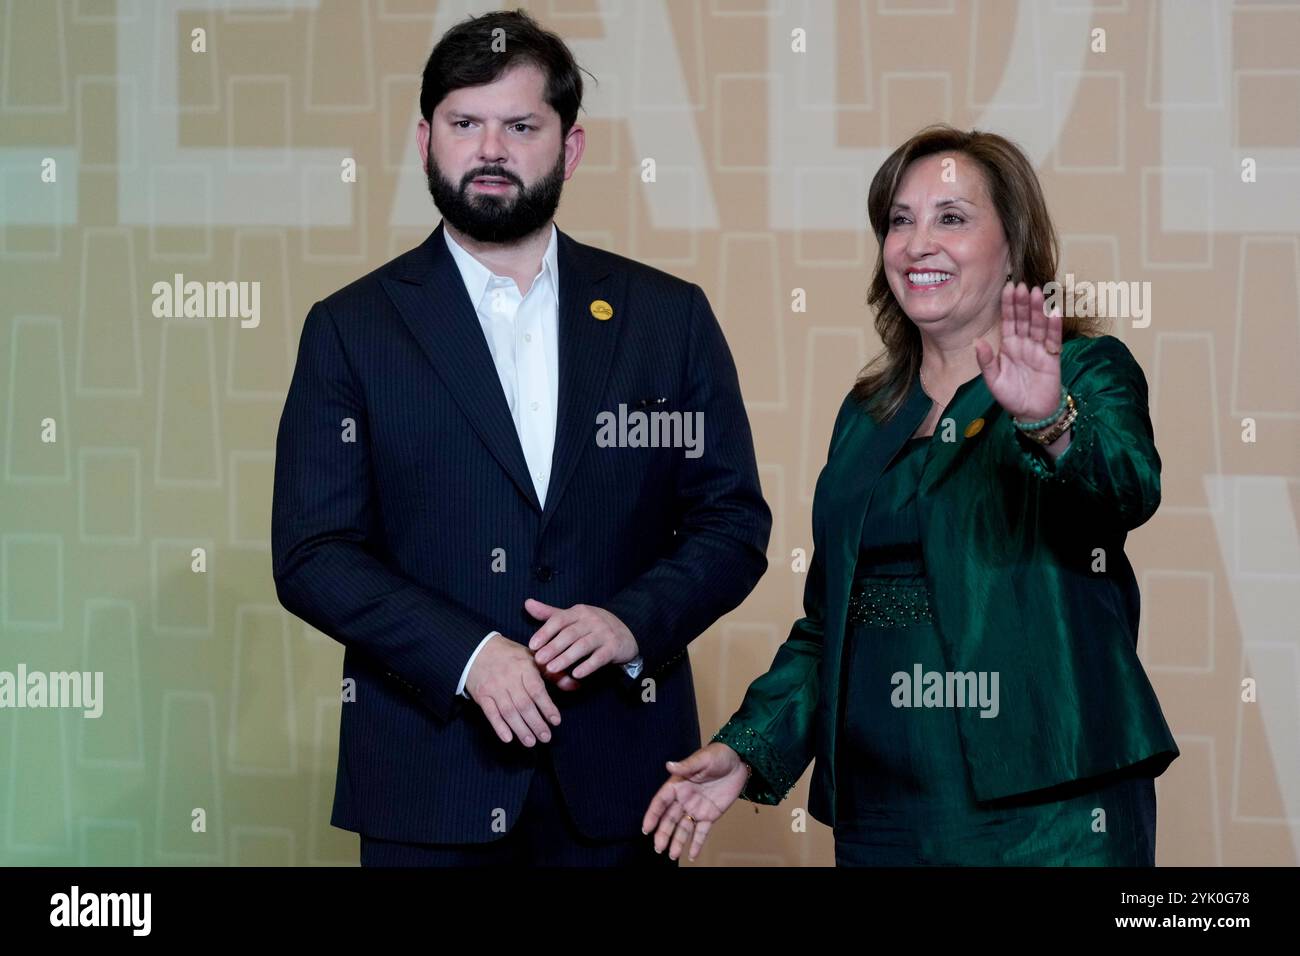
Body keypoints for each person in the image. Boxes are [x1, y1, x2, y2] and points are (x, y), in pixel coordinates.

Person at [272, 9, 770, 866]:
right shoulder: (351, 329)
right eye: (466, 124)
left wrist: (628, 624)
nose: (491, 149)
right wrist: (467, 655)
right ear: (425, 140)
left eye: (521, 126)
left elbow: (732, 524)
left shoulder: (666, 319)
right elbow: (314, 550)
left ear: (570, 148)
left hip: (625, 789)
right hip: (429, 785)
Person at [643, 124, 1179, 866]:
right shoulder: (866, 414)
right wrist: (749, 747)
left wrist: (1046, 418)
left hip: (1050, 801)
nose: (917, 242)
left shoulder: (1084, 370)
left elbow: (1128, 491)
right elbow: (832, 620)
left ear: (1014, 245)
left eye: (951, 218)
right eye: (900, 220)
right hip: (884, 808)